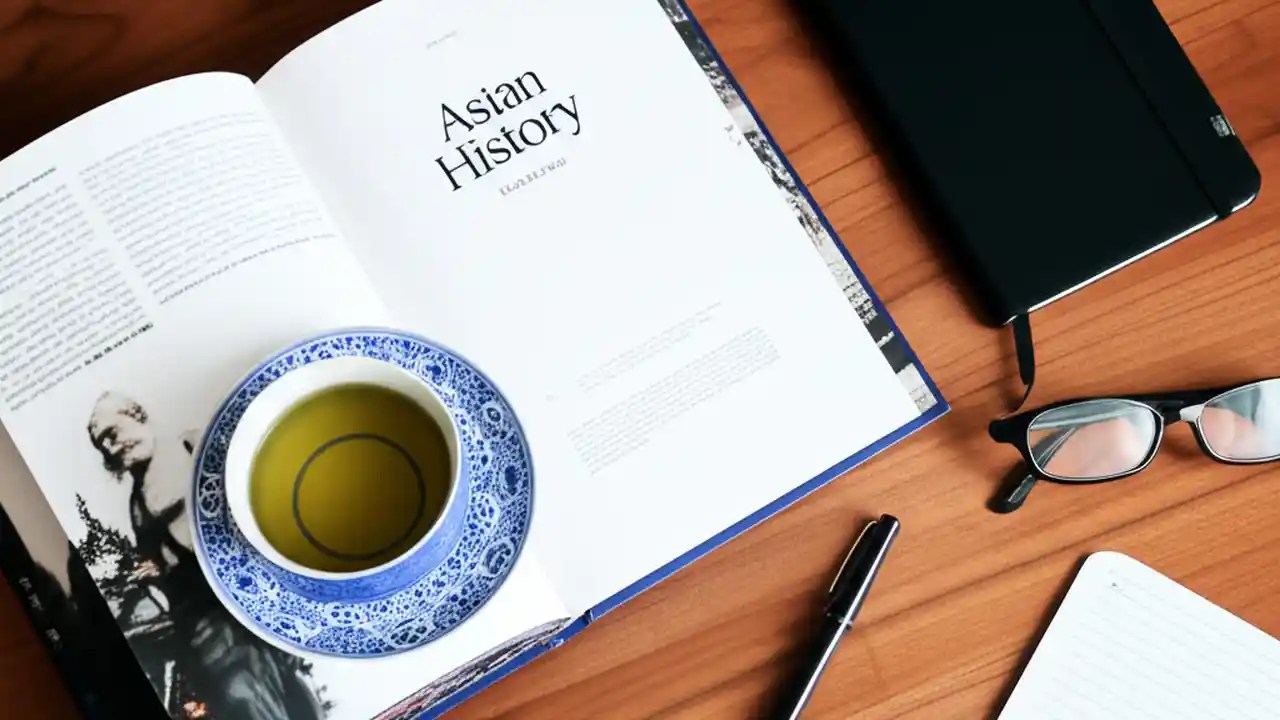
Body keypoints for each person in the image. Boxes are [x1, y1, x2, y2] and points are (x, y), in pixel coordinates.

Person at [87, 392, 323, 720]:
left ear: (137, 415)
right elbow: (155, 565)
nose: (111, 448)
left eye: (112, 434)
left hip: (252, 592)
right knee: (237, 696)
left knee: (293, 689)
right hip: (203, 620)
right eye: (103, 446)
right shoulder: (135, 506)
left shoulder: (194, 445)